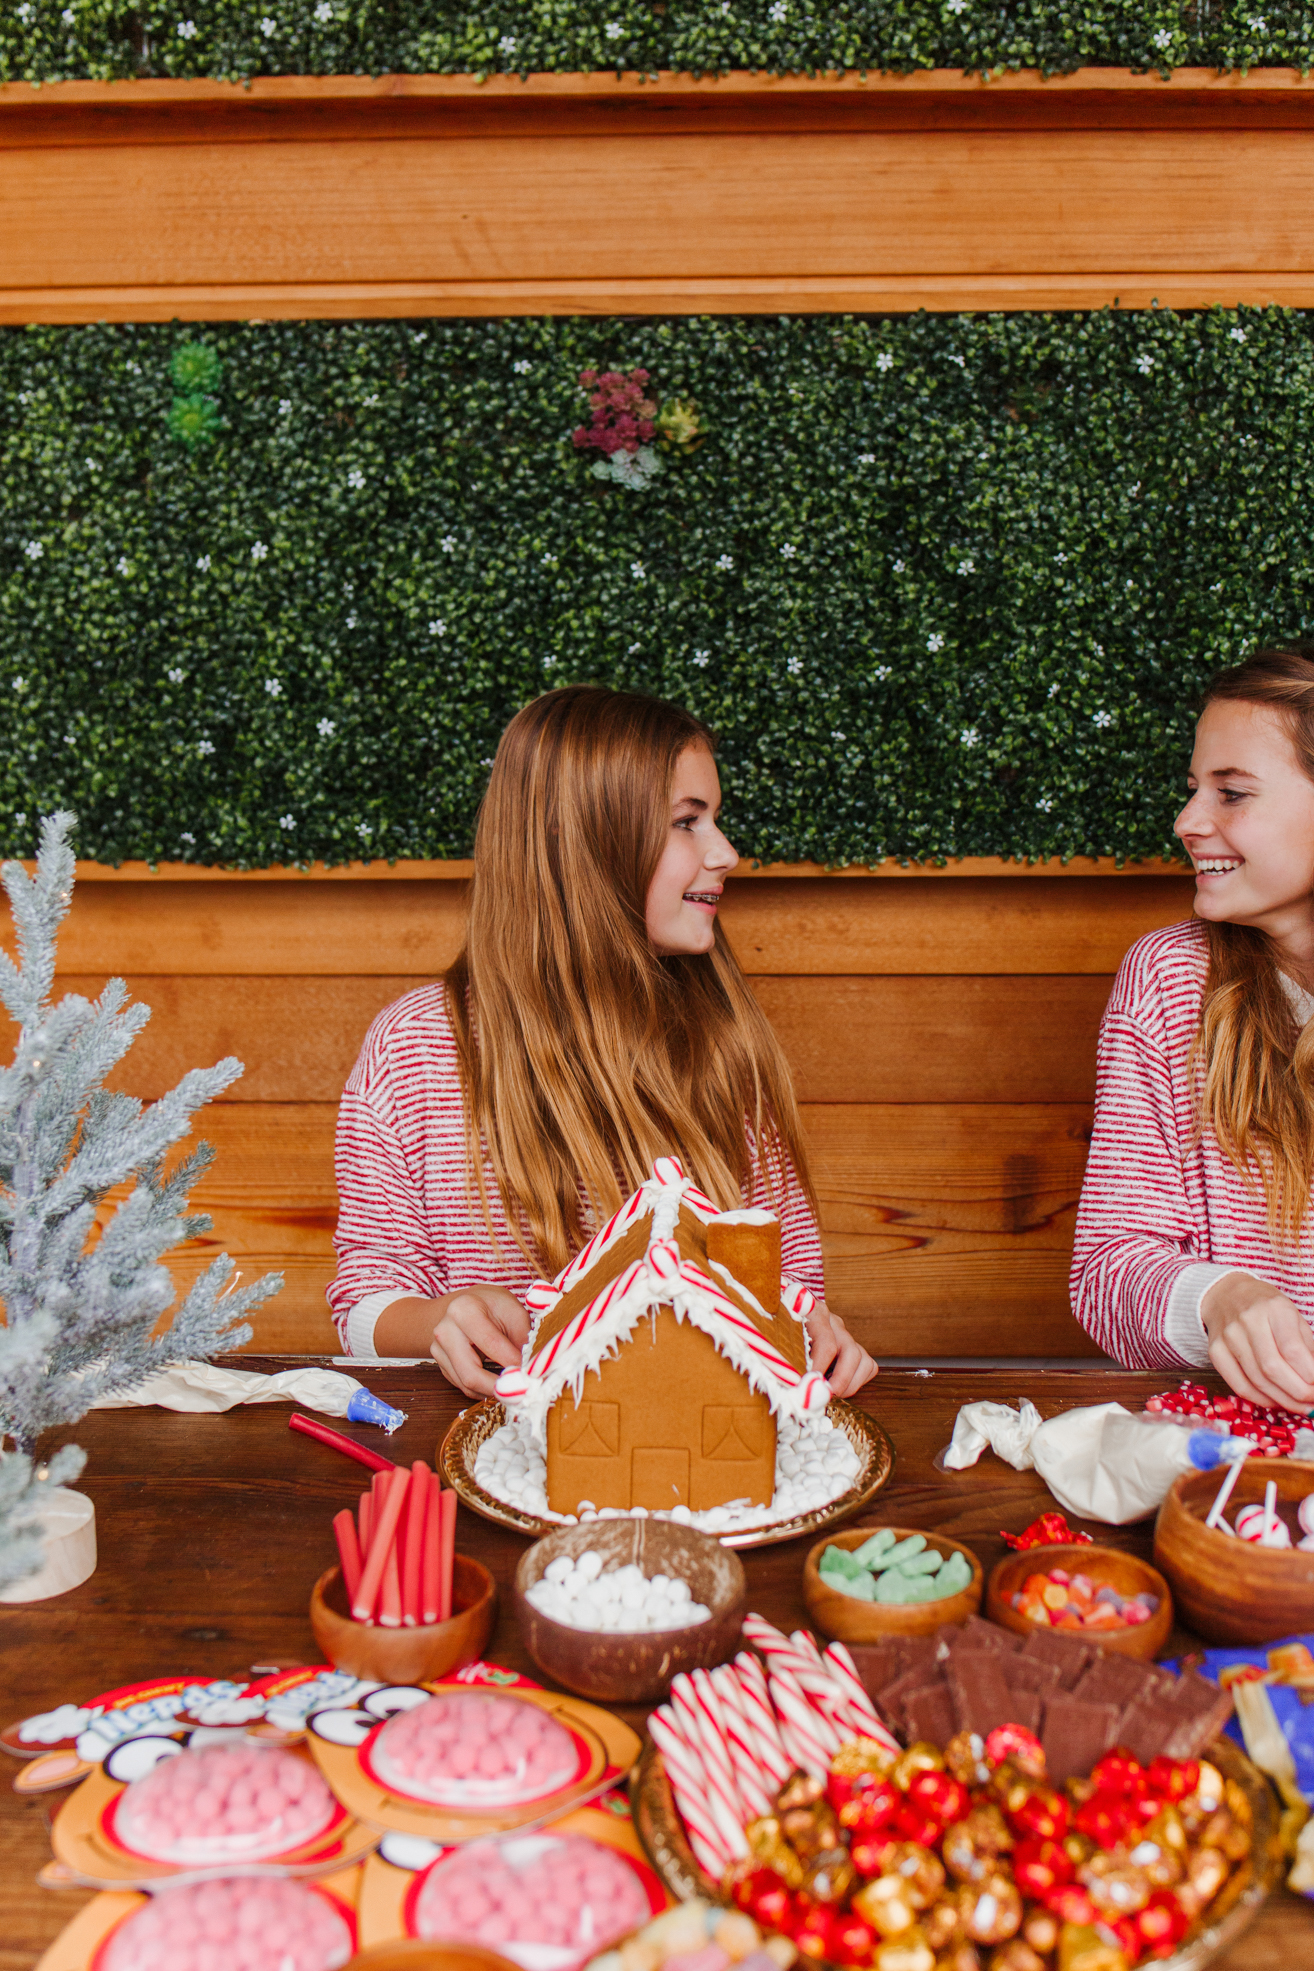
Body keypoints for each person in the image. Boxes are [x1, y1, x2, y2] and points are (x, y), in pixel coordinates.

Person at [328, 684, 876, 1401]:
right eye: (688, 822)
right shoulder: (416, 1049)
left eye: (715, 819)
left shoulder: (723, 1036)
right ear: (585, 844)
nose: (727, 852)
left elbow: (791, 1280)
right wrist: (437, 1319)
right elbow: (362, 1303)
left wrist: (813, 1330)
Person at [1072, 645, 1314, 1411]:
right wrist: (1216, 1296)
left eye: (1233, 792)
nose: (1186, 821)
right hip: (1239, 1462)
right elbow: (1106, 1272)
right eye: (1192, 790)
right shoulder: (1170, 981)